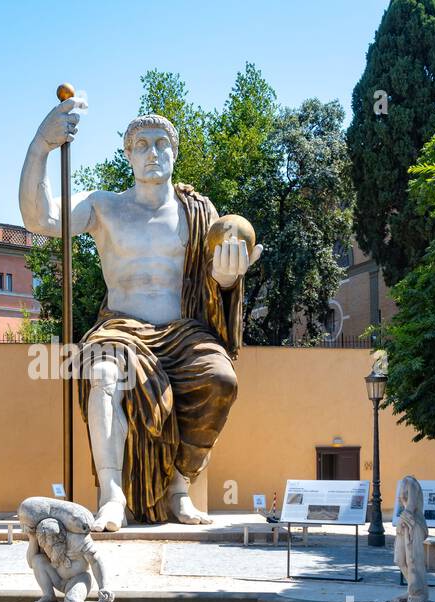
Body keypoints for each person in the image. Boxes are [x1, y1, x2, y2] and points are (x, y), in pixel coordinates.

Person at [20, 100, 262, 531]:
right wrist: (42, 145)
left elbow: (215, 288)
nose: (153, 152)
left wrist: (227, 280)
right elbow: (40, 218)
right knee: (103, 374)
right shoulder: (104, 207)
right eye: (142, 145)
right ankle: (111, 494)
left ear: (175, 151)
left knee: (220, 380)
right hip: (120, 328)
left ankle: (178, 489)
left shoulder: (200, 214)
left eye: (162, 143)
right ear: (128, 155)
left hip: (182, 333)